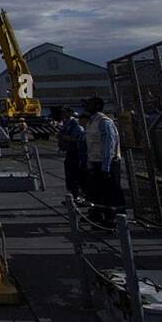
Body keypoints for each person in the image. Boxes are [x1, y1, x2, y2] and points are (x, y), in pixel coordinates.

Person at [83, 96, 123, 228]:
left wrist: (106, 167)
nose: (86, 106)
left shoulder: (104, 122)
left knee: (109, 193)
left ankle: (112, 220)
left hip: (107, 163)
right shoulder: (91, 122)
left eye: (89, 103)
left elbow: (108, 145)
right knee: (97, 193)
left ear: (96, 106)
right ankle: (100, 216)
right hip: (96, 161)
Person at [57, 110, 87, 204]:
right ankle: (74, 196)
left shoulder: (77, 127)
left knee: (76, 176)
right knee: (71, 176)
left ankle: (79, 197)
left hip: (76, 154)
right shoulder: (68, 125)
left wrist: (66, 138)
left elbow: (78, 139)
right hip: (71, 153)